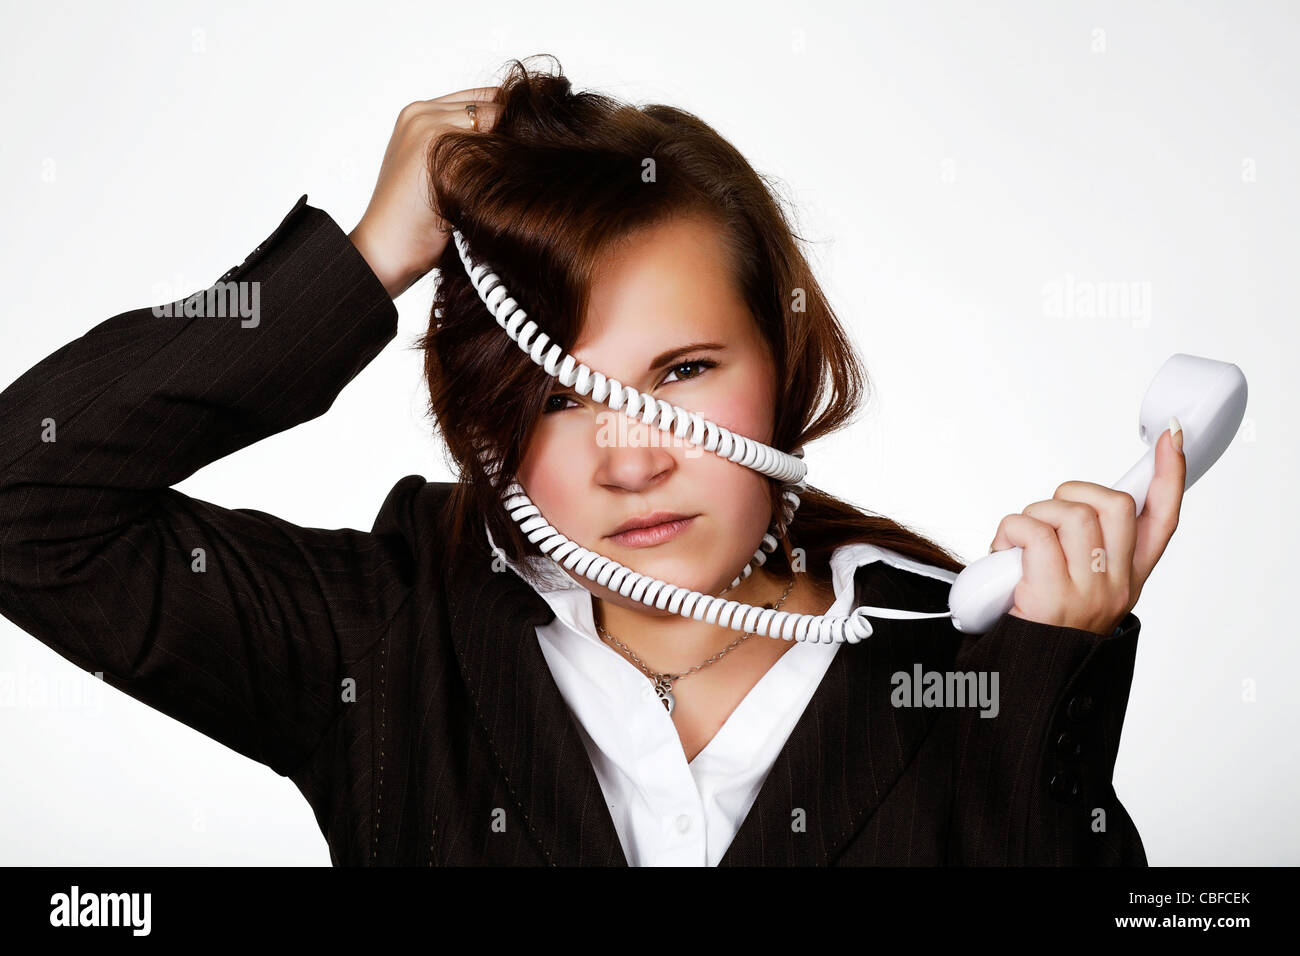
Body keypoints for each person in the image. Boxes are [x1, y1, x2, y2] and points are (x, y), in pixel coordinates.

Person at [0, 55, 1184, 866]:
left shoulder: (968, 659)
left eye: (681, 373)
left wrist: (1047, 687)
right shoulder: (388, 638)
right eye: (560, 394)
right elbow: (25, 495)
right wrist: (360, 263)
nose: (632, 460)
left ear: (781, 354)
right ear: (488, 411)